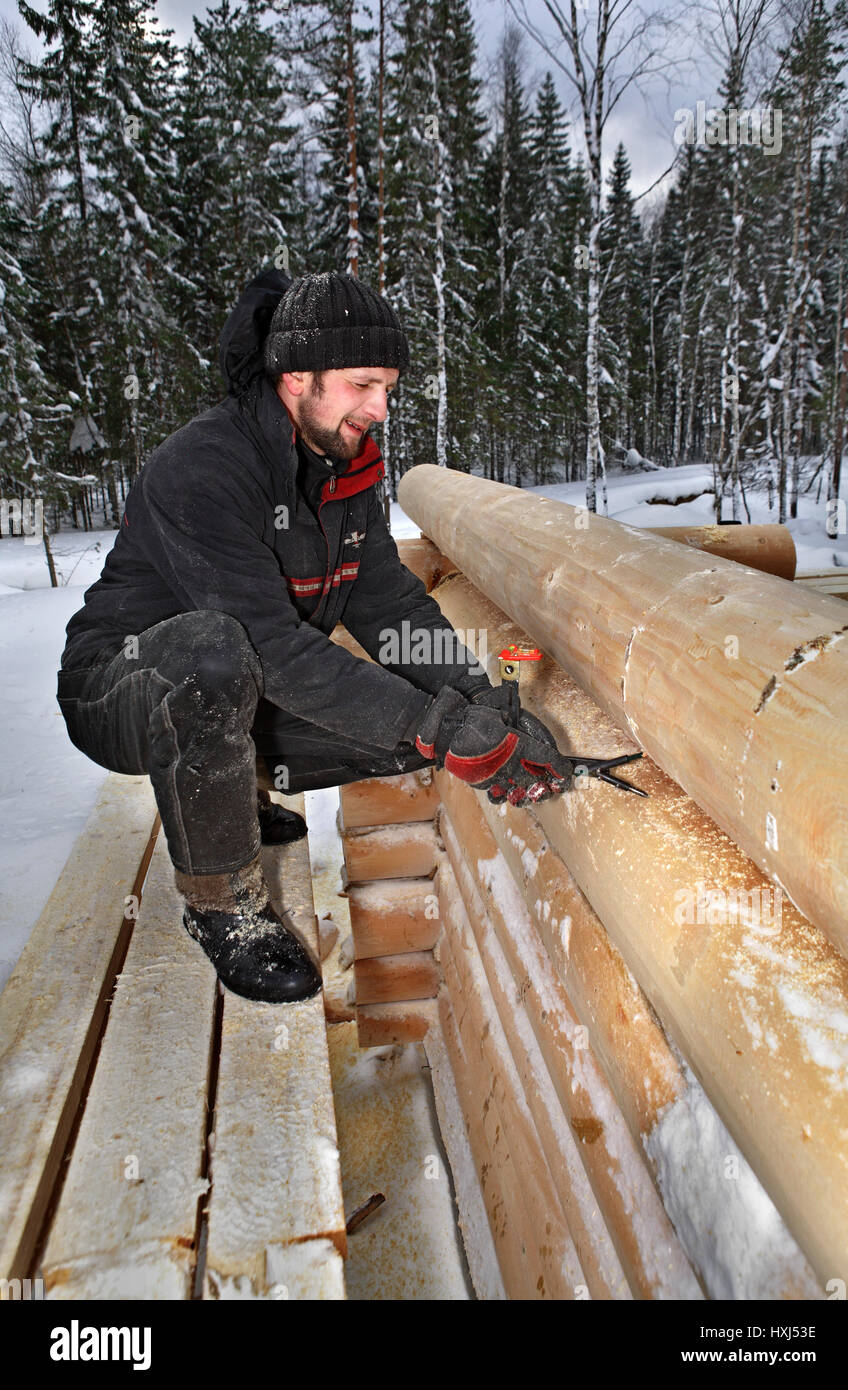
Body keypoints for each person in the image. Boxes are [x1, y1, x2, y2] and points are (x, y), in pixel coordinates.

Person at [56, 268, 574, 1005]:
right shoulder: (205, 466)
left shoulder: (345, 471)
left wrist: (475, 701)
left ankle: (233, 789)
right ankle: (222, 908)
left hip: (237, 686)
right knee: (216, 654)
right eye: (365, 384)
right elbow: (264, 646)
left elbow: (390, 605)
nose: (382, 408)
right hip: (126, 684)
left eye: (389, 388)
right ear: (297, 376)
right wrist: (442, 723)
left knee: (412, 735)